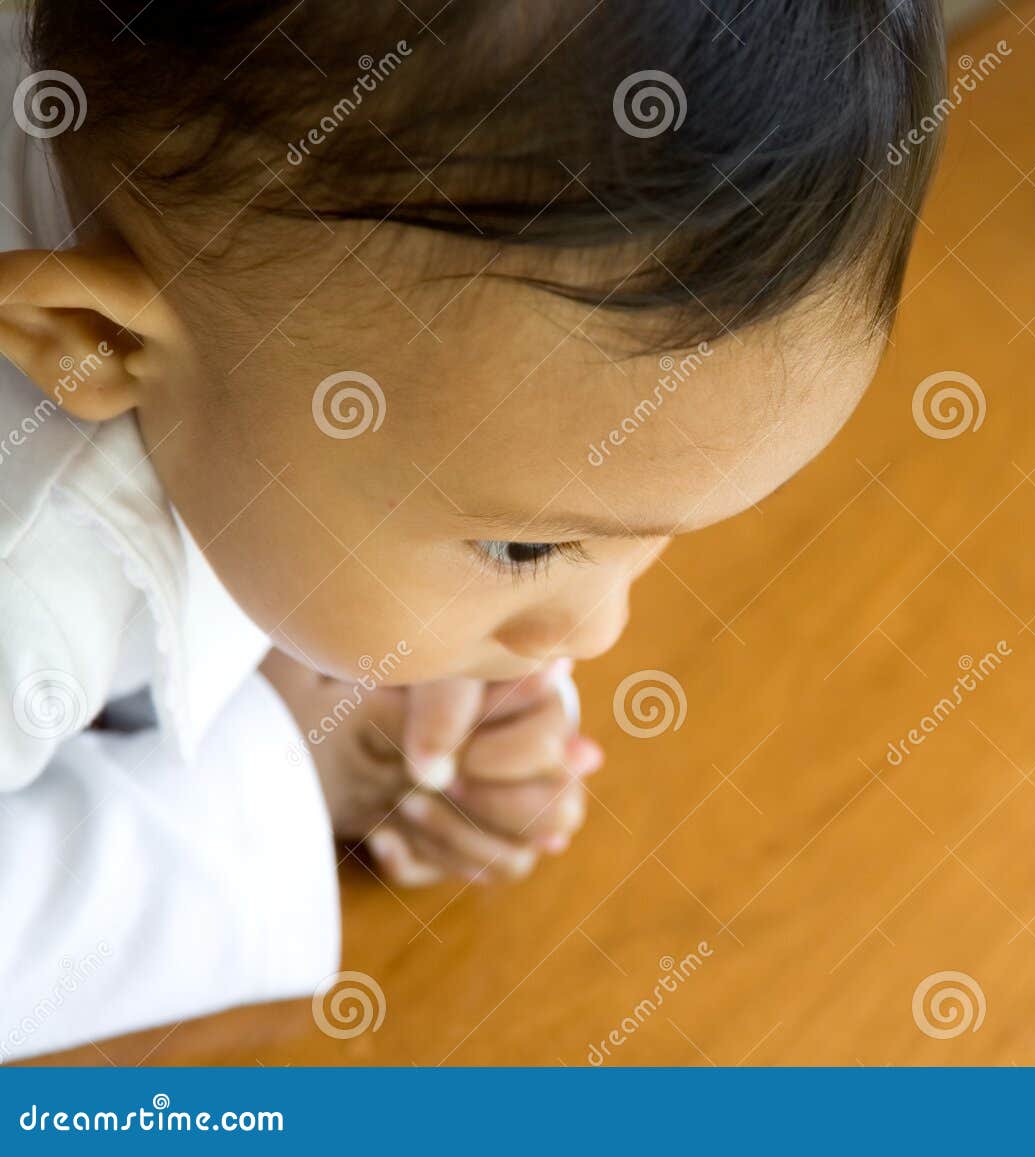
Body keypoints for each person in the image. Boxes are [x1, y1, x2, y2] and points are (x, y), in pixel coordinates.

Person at [0, 0, 944, 1059]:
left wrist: (419, 640)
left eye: (652, 531)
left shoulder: (227, 266)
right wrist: (284, 776)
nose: (598, 631)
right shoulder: (23, 570)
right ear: (89, 341)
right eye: (527, 546)